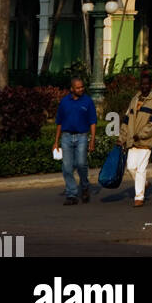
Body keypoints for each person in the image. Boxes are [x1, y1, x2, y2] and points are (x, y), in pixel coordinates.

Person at [120, 69, 152, 207]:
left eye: (147, 84)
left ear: (151, 86)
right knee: (131, 167)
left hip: (146, 141)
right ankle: (144, 183)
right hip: (132, 141)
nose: (144, 87)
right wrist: (122, 136)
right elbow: (127, 119)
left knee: (141, 169)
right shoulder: (134, 99)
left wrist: (142, 134)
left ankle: (139, 197)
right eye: (142, 84)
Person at [53, 76, 97, 206]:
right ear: (71, 89)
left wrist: (92, 140)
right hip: (66, 137)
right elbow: (59, 123)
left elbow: (93, 122)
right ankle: (71, 194)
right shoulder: (64, 102)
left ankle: (84, 186)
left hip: (82, 136)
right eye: (78, 87)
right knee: (67, 167)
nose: (81, 89)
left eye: (82, 86)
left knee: (81, 164)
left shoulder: (88, 101)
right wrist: (56, 141)